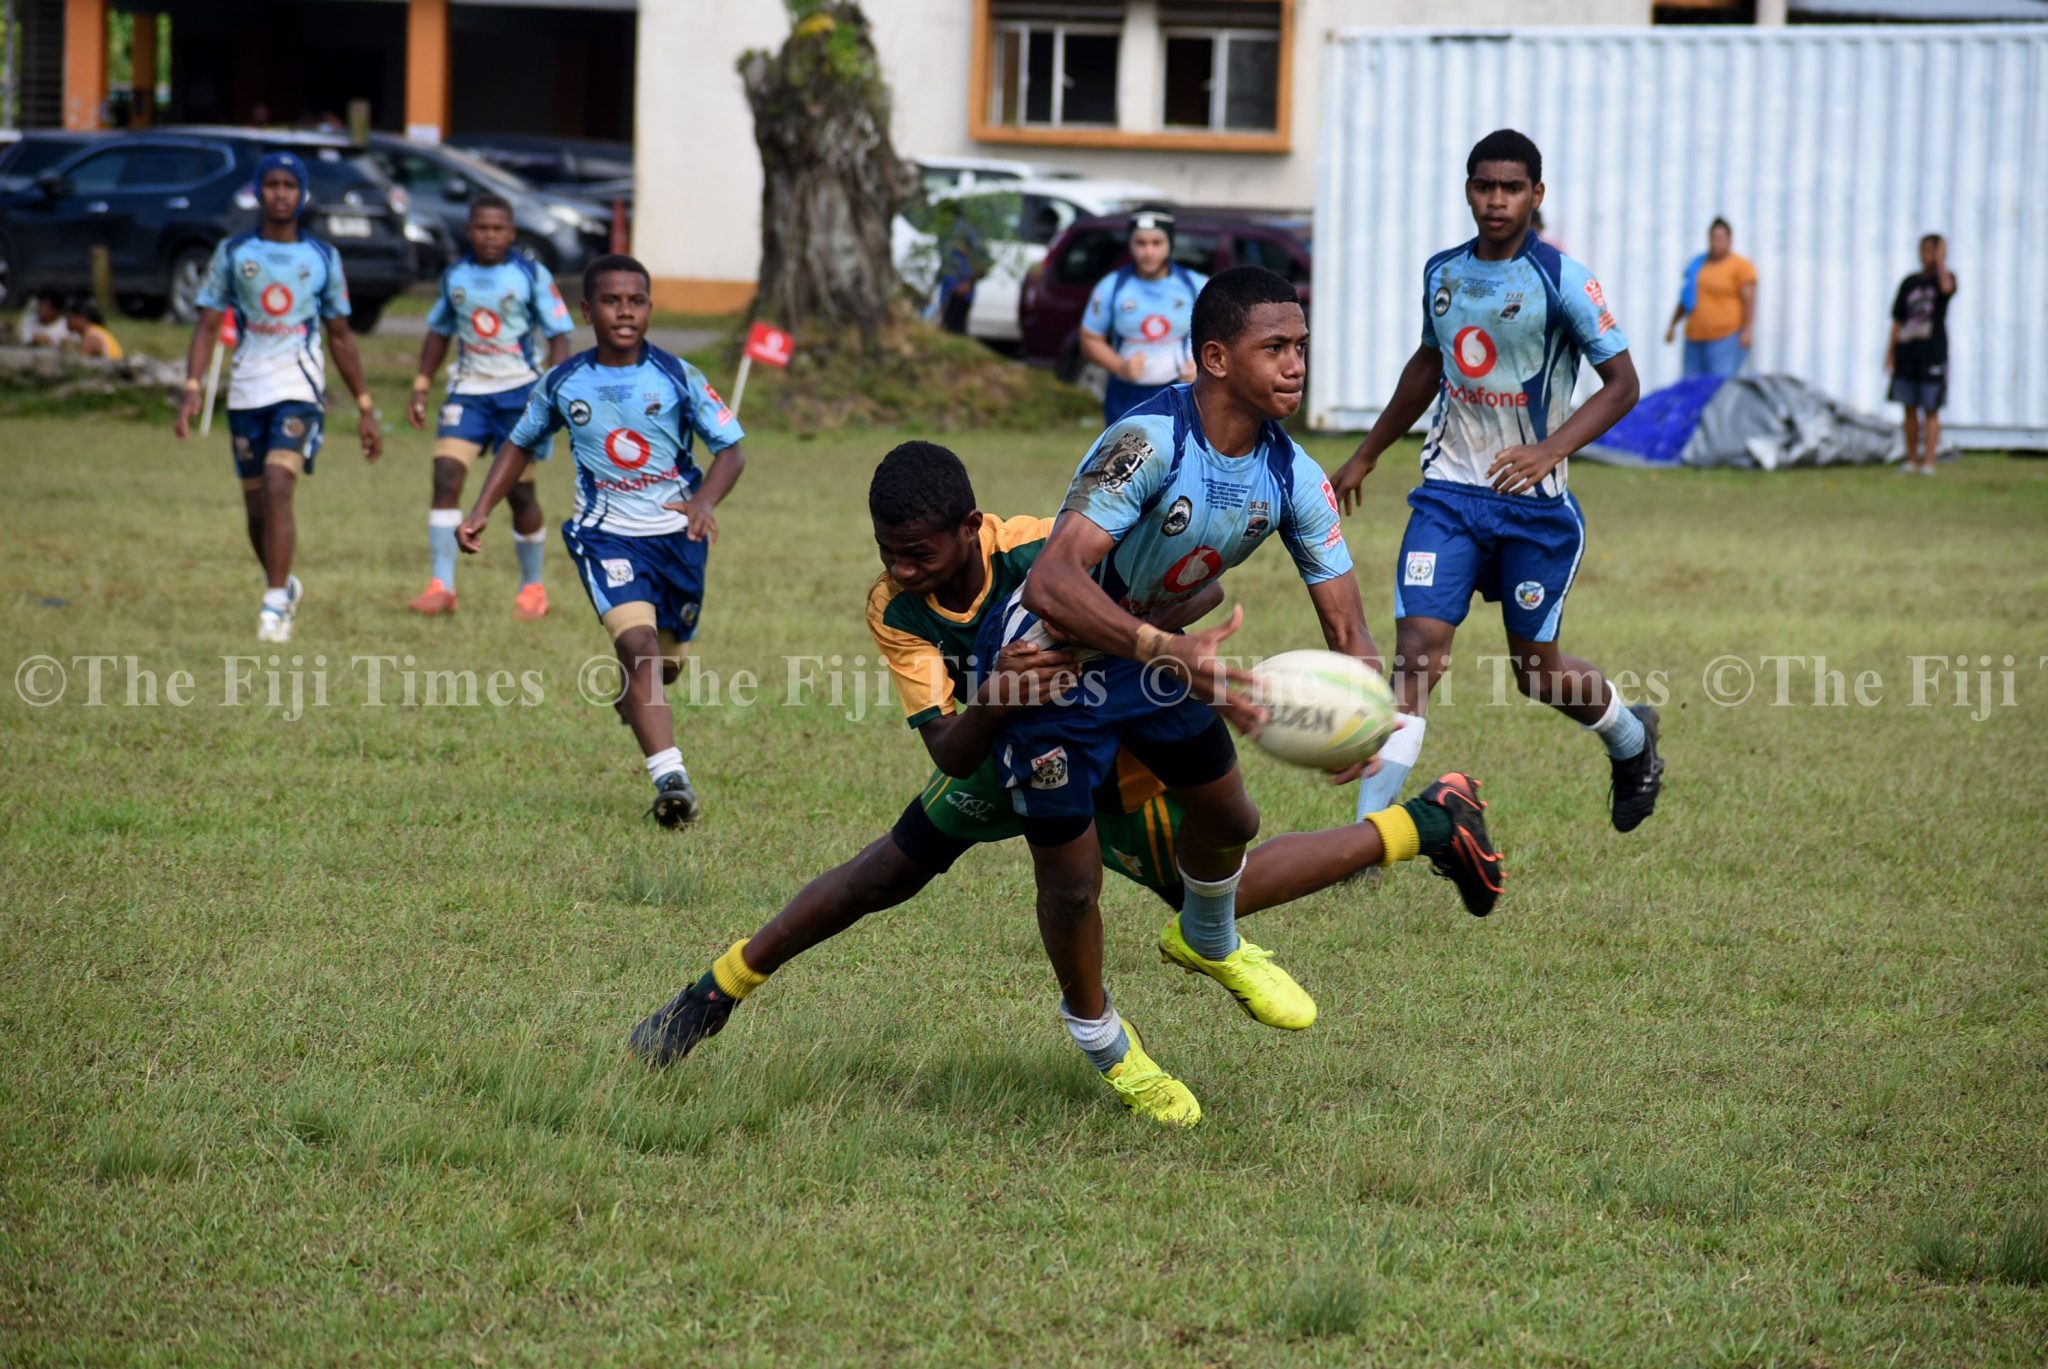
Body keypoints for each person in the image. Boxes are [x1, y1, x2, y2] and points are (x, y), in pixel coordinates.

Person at [626, 442, 1503, 1084]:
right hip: (995, 746)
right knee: (878, 877)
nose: (904, 569)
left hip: (1115, 735)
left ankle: (1422, 823)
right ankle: (717, 990)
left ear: (971, 528)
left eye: (922, 552)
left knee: (1220, 867)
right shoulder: (896, 606)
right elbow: (946, 744)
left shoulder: (1042, 543)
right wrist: (1001, 696)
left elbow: (1181, 589)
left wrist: (1157, 631)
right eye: (889, 552)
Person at [968, 267, 1500, 1127]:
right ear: (1215, 357)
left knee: (1230, 820)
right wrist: (1163, 646)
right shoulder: (1146, 442)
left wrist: (1369, 718)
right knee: (1070, 886)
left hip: (1153, 654)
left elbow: (1348, 626)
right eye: (1275, 348)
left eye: (1301, 347)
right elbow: (1057, 583)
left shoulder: (1294, 477)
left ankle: (1207, 938)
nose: (1296, 366)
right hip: (1052, 668)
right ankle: (1103, 1038)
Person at [1332, 129, 1663, 840]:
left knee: (1536, 673)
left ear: (1536, 195)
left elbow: (1624, 384)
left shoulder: (1564, 279)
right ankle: (1367, 837)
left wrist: (1549, 449)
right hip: (1448, 494)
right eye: (1484, 186)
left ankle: (1632, 741)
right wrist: (1366, 454)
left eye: (1511, 188)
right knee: (1416, 655)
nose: (1496, 200)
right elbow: (1429, 364)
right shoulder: (1442, 273)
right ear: (1467, 190)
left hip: (1534, 511)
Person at [458, 255, 745, 828]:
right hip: (604, 535)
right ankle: (672, 780)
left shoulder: (676, 374)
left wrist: (705, 501)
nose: (624, 312)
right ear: (587, 310)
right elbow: (518, 444)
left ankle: (632, 695)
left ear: (649, 309)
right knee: (638, 646)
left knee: (663, 666)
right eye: (611, 301)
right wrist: (482, 507)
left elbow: (731, 451)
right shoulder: (564, 382)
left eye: (636, 301)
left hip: (678, 538)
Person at [173, 151, 382, 643]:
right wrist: (192, 389)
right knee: (255, 511)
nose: (281, 193)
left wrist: (366, 406)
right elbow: (206, 326)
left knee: (278, 487)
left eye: (290, 184)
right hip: (247, 391)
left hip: (298, 391)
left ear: (302, 193)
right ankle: (283, 584)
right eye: (272, 184)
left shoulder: (323, 257)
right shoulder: (234, 252)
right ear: (259, 191)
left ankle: (271, 608)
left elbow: (340, 335)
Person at [405, 192, 575, 617]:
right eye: (482, 228)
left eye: (498, 228)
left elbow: (559, 336)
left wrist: (553, 393)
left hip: (521, 393)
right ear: (469, 231)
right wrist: (422, 385)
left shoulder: (531, 274)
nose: (490, 236)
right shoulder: (455, 275)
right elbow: (439, 332)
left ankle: (532, 587)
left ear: (512, 233)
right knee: (446, 474)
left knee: (519, 493)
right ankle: (441, 585)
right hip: (468, 390)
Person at [1078, 207, 1206, 425]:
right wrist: (1119, 367)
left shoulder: (1196, 285)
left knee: (1179, 458)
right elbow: (1089, 338)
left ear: (1170, 244)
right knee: (1126, 458)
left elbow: (1223, 337)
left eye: (1156, 243)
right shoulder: (1112, 286)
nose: (1148, 252)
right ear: (1130, 244)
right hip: (1126, 396)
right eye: (1141, 243)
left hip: (1181, 393)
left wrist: (1201, 367)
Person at [1887, 234, 1956, 477]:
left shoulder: (1944, 280)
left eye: (1933, 251)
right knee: (1909, 407)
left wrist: (1940, 262)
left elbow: (1947, 289)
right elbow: (1897, 320)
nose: (1927, 255)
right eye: (1925, 250)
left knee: (1931, 408)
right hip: (1907, 353)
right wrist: (1891, 353)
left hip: (1932, 354)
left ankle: (1929, 462)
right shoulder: (1909, 282)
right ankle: (1911, 460)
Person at [1664, 217, 1756, 377]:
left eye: (1721, 238)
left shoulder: (1741, 267)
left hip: (1725, 338)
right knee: (1691, 387)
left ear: (1729, 240)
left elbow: (1749, 300)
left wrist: (1747, 330)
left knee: (1718, 387)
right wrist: (1672, 325)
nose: (1716, 243)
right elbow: (1685, 298)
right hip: (1694, 338)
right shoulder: (1698, 265)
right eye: (1713, 238)